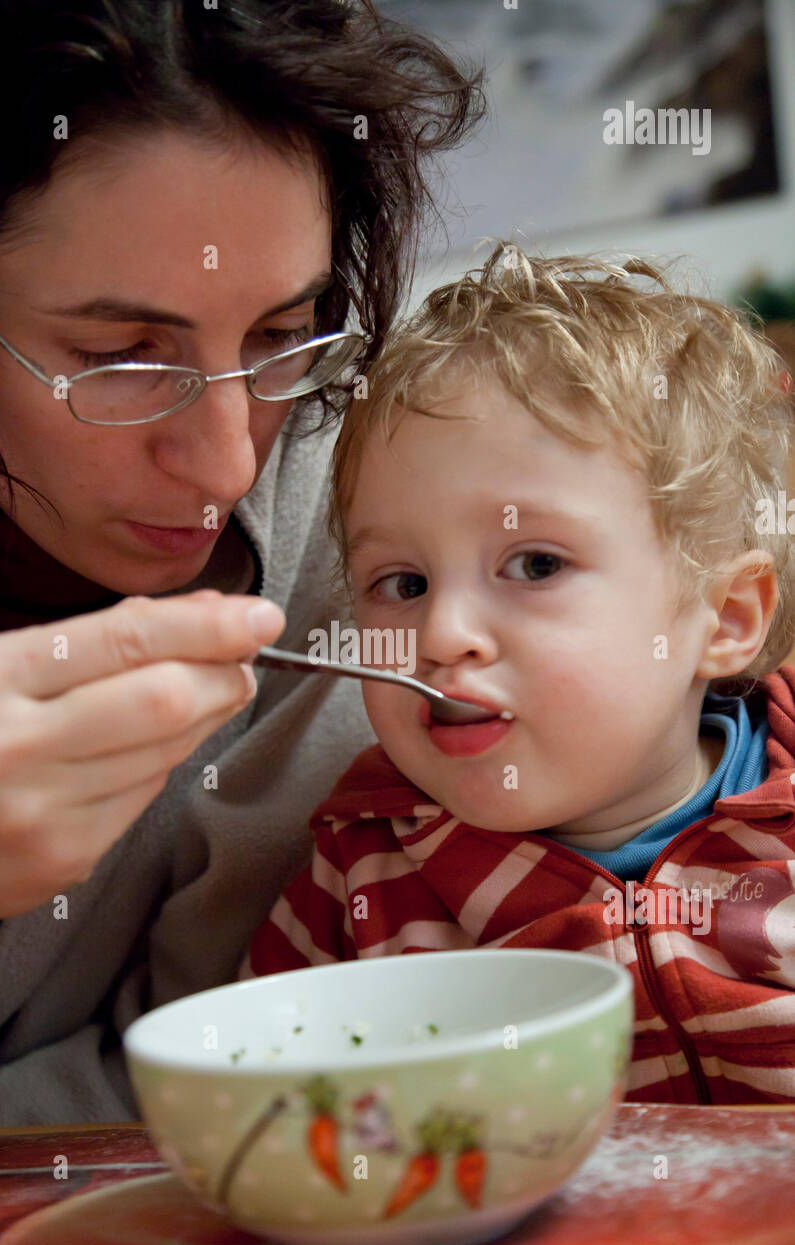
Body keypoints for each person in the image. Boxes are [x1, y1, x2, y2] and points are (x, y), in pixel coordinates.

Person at [0, 0, 484, 1126]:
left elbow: (280, 1063)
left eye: (285, 333)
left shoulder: (381, 524)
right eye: (122, 355)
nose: (228, 464)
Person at [240, 244, 795, 1107]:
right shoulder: (356, 877)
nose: (444, 632)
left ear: (722, 620)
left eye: (535, 565)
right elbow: (264, 1111)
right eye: (403, 584)